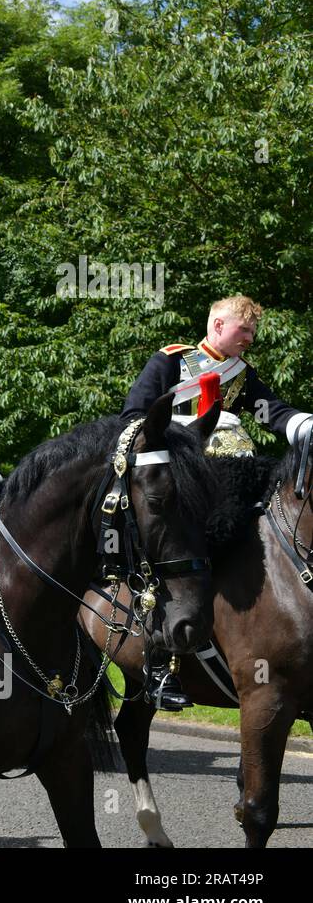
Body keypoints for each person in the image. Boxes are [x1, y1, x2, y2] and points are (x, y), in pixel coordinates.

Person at [122, 294, 311, 709]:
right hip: (183, 476)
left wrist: (303, 423)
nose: (250, 339)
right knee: (179, 552)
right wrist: (185, 432)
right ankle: (161, 656)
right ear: (219, 325)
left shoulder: (240, 372)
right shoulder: (172, 361)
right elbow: (135, 414)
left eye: (253, 333)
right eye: (245, 331)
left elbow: (272, 412)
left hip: (238, 472)